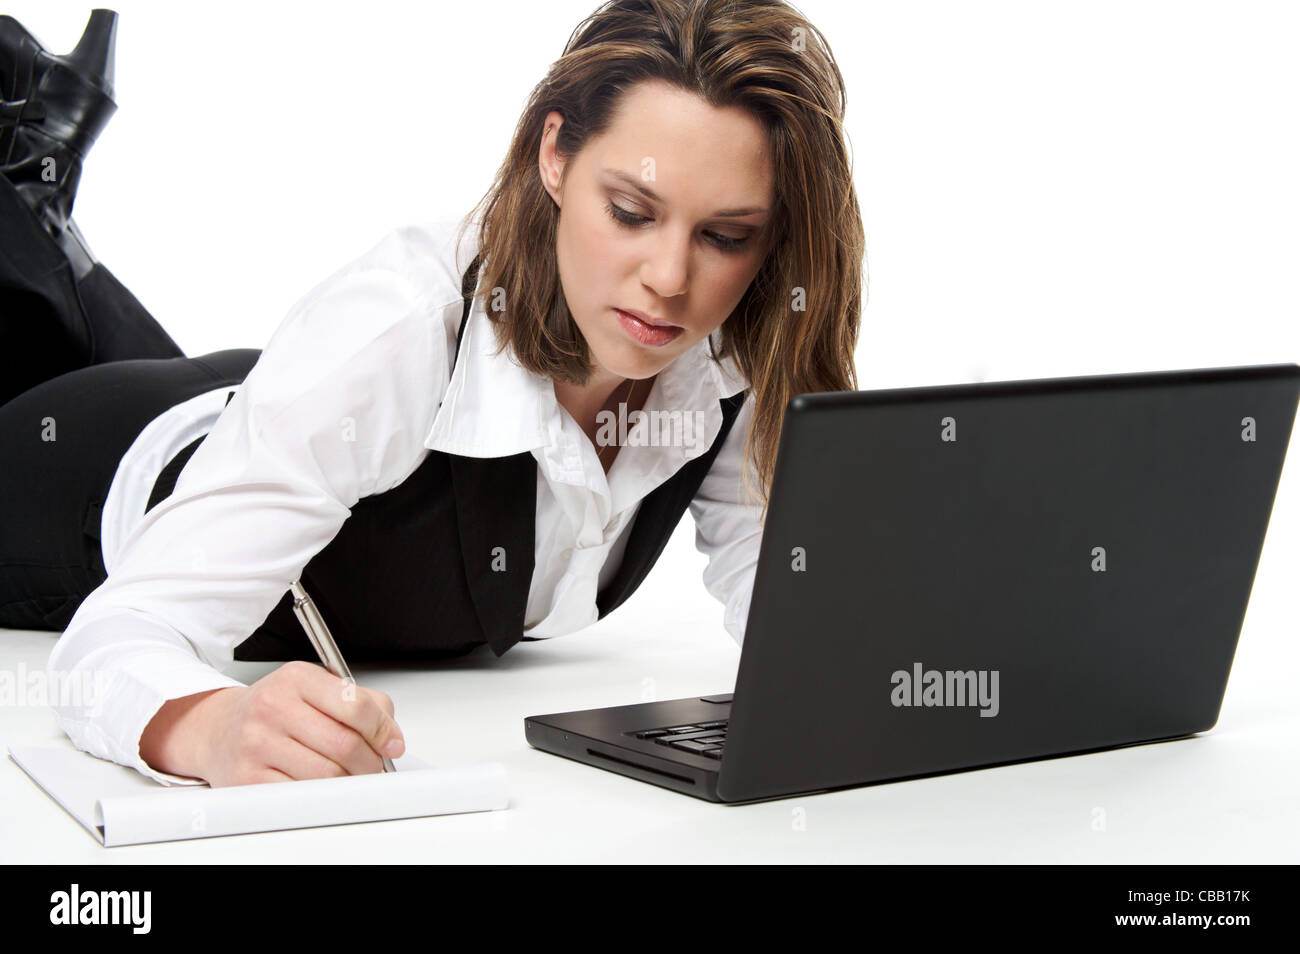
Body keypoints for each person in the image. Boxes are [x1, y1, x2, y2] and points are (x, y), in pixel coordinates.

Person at [0, 0, 864, 788]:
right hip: (91, 481)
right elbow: (116, 637)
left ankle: (36, 195)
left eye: (725, 234)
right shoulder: (400, 324)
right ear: (554, 155)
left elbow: (783, 590)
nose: (670, 280)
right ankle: (30, 198)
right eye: (632, 212)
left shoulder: (733, 353)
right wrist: (208, 725)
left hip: (271, 395)